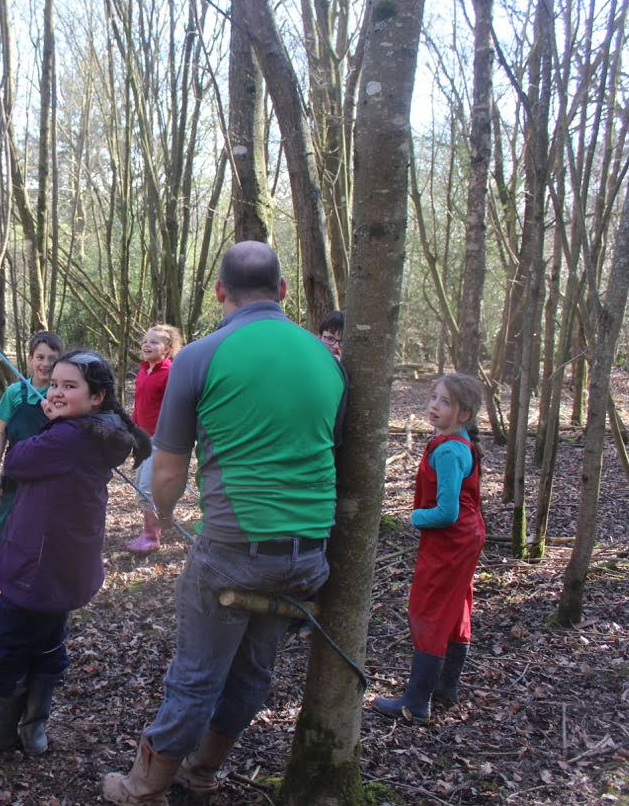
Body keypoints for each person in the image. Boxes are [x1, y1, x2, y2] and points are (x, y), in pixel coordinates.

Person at [102, 241, 346, 804]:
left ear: (219, 292)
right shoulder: (327, 360)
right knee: (253, 672)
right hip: (309, 557)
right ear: (282, 291)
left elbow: (167, 469)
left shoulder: (199, 356)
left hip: (234, 554)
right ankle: (202, 771)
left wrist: (164, 515)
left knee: (196, 675)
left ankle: (144, 786)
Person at [0, 350, 151, 757]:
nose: (55, 392)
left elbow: (17, 460)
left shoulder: (69, 436)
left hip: (38, 565)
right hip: (64, 564)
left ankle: (1, 730)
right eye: (54, 384)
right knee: (47, 639)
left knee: (6, 641)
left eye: (69, 386)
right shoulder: (99, 429)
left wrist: (49, 421)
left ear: (97, 397)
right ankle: (33, 729)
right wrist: (57, 418)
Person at [372, 373, 485, 723]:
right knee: (455, 606)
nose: (434, 406)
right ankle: (446, 688)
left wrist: (414, 517)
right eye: (434, 397)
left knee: (430, 609)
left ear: (464, 414)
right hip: (464, 538)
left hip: (452, 540)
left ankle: (417, 702)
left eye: (445, 402)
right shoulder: (451, 441)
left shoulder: (450, 450)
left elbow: (447, 512)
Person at [0, 330, 65, 615]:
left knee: (45, 534)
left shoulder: (61, 395)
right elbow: (1, 434)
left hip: (49, 480)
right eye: (40, 357)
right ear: (30, 359)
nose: (45, 364)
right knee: (3, 531)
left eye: (52, 358)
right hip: (16, 477)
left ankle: (38, 592)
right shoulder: (14, 393)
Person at [125, 324, 183, 554]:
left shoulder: (170, 373)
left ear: (167, 348)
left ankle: (152, 536)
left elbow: (175, 408)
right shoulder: (142, 370)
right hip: (142, 438)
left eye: (154, 342)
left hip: (160, 439)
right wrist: (132, 429)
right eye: (145, 341)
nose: (147, 345)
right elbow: (139, 405)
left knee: (147, 488)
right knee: (142, 484)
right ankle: (152, 529)